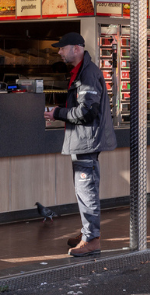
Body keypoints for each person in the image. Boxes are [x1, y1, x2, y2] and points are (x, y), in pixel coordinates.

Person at [44, 32, 116, 257]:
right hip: (81, 140)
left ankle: (92, 239)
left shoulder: (87, 74)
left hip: (86, 141)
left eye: (62, 48)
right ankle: (88, 232)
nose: (59, 52)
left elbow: (87, 111)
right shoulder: (81, 71)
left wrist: (58, 113)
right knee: (82, 190)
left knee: (87, 191)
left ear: (76, 48)